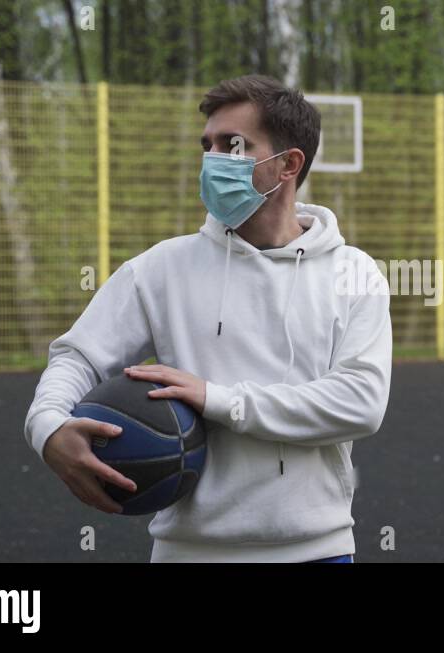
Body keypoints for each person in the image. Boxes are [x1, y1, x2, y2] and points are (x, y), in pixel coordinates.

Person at [23, 74, 392, 563]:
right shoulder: (160, 268)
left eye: (233, 144)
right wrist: (47, 428)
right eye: (208, 145)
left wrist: (218, 399)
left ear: (288, 163)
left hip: (318, 550)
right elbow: (77, 356)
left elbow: (361, 403)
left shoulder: (355, 272)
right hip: (187, 554)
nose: (213, 158)